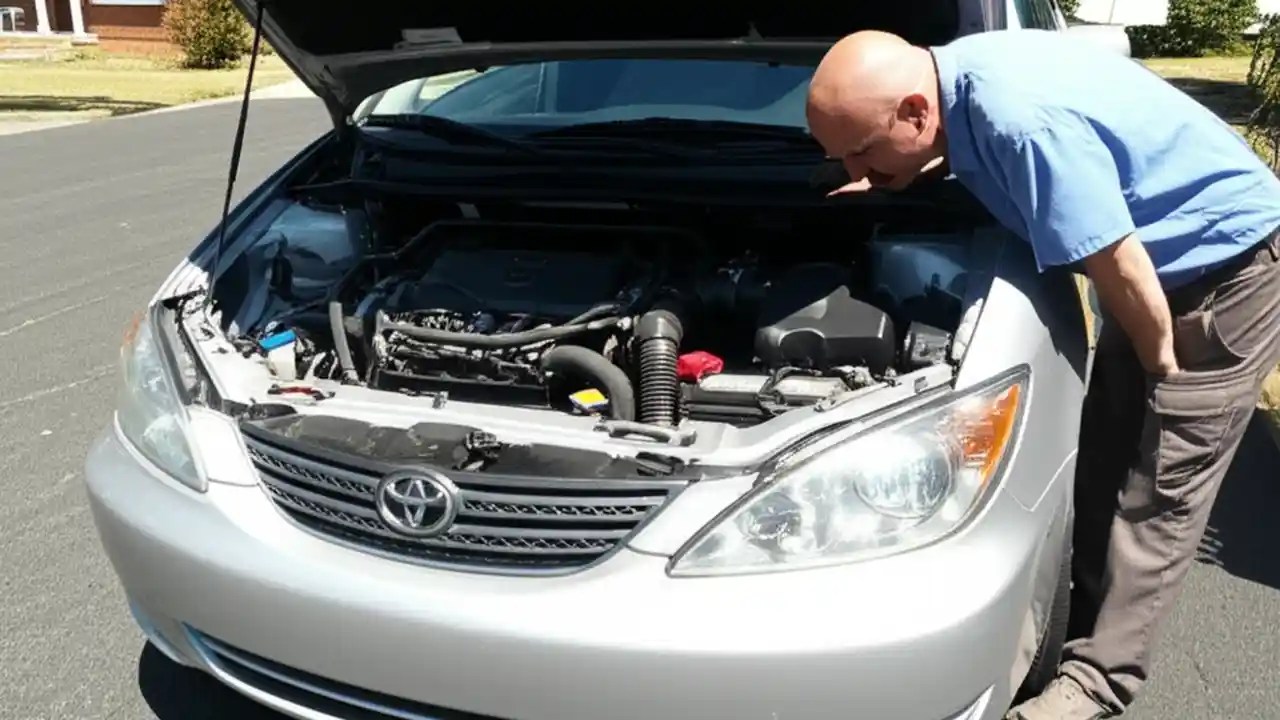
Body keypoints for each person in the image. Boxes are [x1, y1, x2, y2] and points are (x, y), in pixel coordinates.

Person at [805, 27, 1280, 720]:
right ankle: (1081, 629)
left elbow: (1120, 265)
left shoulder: (1018, 122)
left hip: (1224, 272)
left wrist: (1167, 373)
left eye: (863, 150)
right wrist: (884, 174)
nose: (854, 168)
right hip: (1156, 269)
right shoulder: (955, 83)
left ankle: (1099, 682)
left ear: (914, 112)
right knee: (1107, 454)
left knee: (1163, 482)